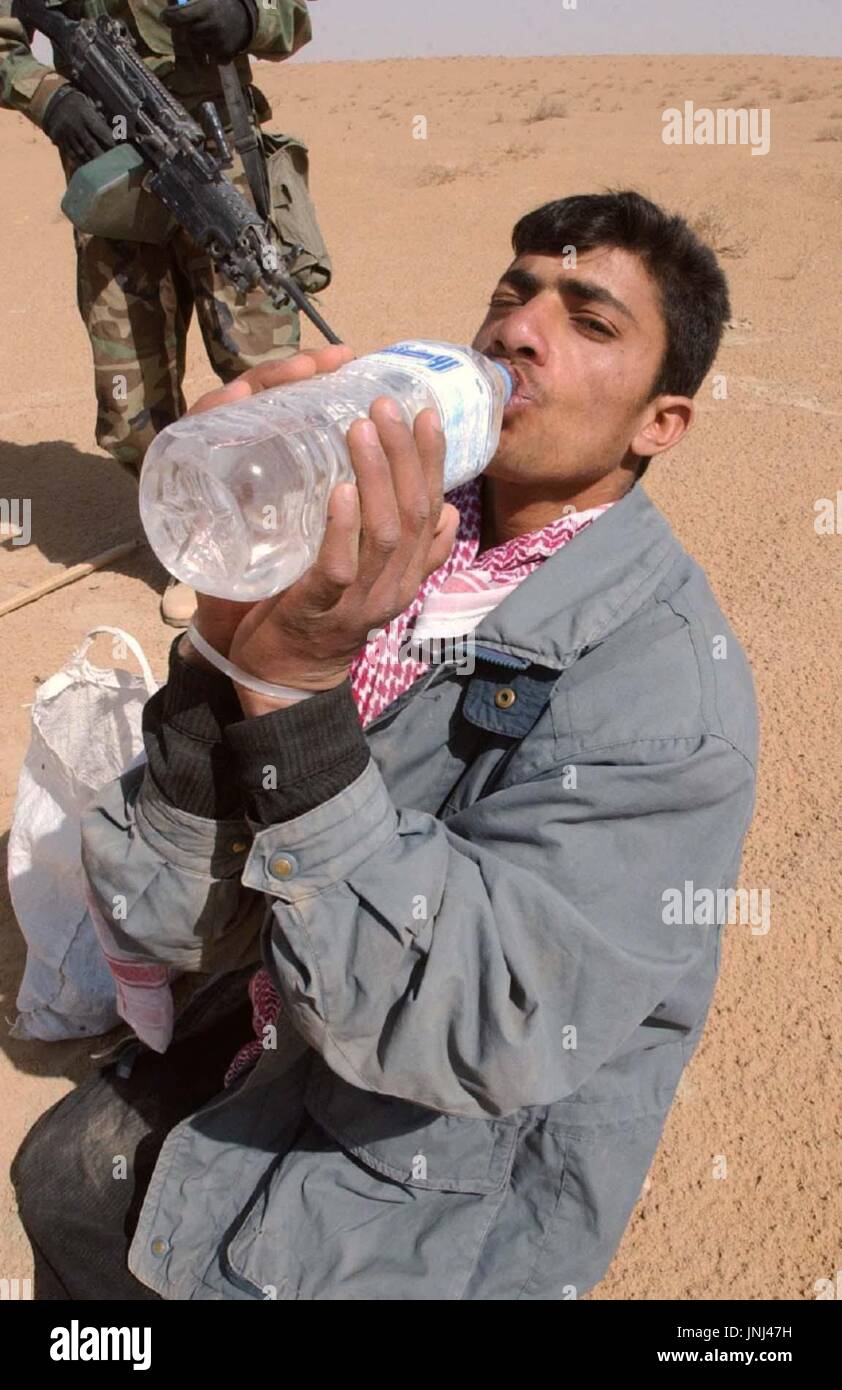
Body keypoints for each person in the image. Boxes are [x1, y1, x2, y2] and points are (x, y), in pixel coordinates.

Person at [12, 190, 758, 1301]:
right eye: (511, 295)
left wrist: (302, 699)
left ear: (661, 422)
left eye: (589, 321)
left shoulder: (665, 697)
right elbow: (167, 915)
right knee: (61, 1181)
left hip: (431, 1158)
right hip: (296, 1007)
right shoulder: (398, 541)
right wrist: (226, 659)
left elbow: (475, 1022)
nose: (517, 329)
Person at [0, 0, 329, 627]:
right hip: (111, 185)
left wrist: (245, 17)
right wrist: (49, 99)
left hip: (218, 167)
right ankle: (197, 544)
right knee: (132, 405)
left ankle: (283, 538)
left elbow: (293, 19)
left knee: (267, 375)